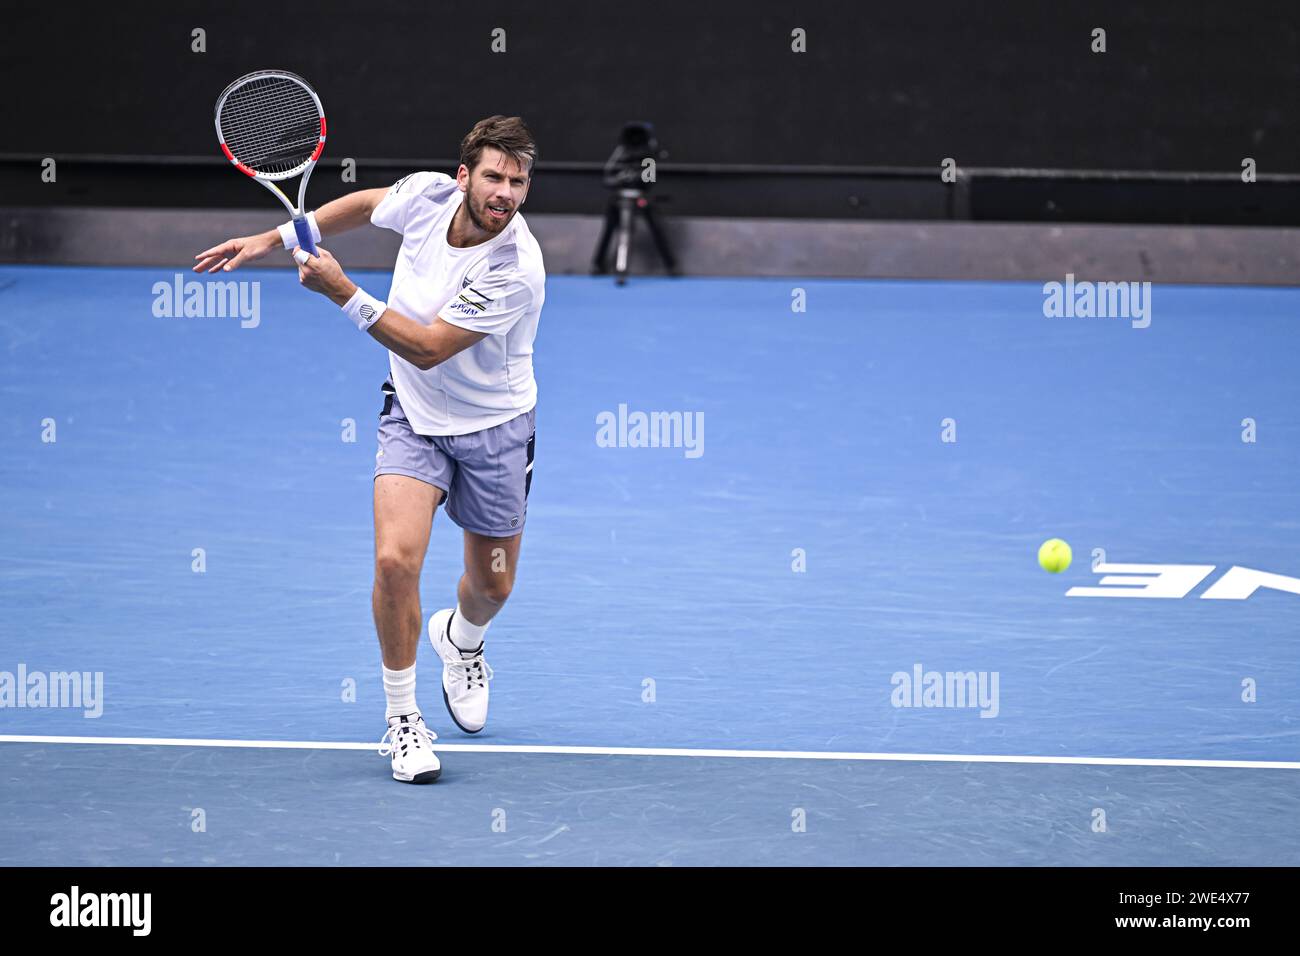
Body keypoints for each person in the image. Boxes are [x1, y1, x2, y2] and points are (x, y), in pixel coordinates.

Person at [193, 116, 544, 784]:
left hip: (495, 429)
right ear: (463, 176)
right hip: (412, 414)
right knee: (393, 561)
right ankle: (404, 719)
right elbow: (362, 205)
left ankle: (462, 639)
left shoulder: (516, 268)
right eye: (494, 176)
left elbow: (429, 346)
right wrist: (280, 236)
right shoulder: (426, 194)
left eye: (519, 181)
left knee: (493, 585)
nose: (505, 192)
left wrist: (341, 292)